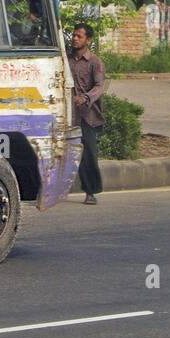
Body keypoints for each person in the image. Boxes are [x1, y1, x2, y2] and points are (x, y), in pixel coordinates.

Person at [69, 23, 106, 204]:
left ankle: (90, 191)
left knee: (88, 154)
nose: (75, 39)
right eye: (74, 35)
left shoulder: (94, 62)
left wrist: (85, 97)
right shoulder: (65, 59)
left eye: (79, 36)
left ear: (88, 40)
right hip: (67, 113)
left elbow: (100, 87)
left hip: (87, 115)